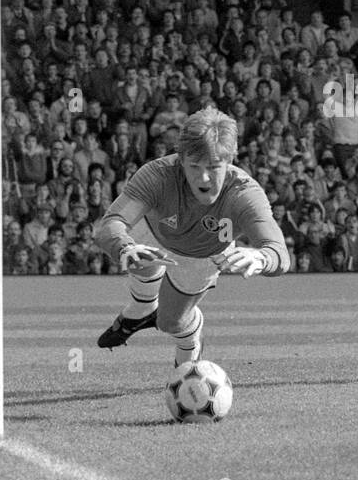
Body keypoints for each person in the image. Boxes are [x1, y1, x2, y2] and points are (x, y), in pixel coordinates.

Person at [93, 106, 290, 364]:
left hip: (203, 254)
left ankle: (189, 344)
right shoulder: (157, 175)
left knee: (170, 323)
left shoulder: (244, 194)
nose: (204, 177)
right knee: (136, 255)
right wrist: (124, 247)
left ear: (230, 160)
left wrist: (262, 258)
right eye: (194, 166)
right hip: (153, 232)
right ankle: (141, 309)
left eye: (213, 166)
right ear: (181, 158)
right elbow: (110, 224)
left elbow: (279, 253)